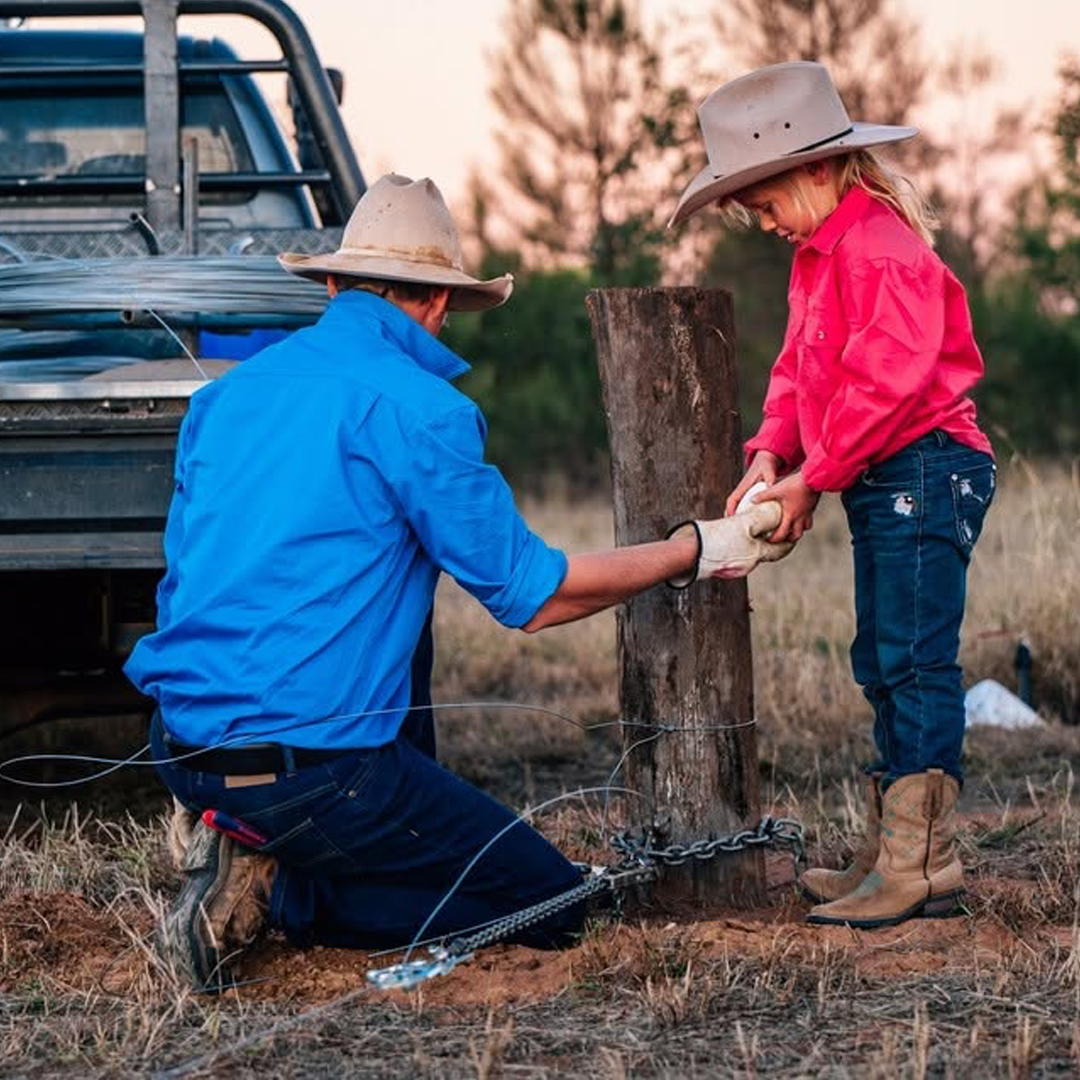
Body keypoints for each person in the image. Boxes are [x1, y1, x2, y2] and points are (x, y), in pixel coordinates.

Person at [125, 173, 791, 990]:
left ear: (332, 283)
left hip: (182, 749)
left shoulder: (222, 400)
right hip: (317, 777)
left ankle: (252, 838)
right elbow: (535, 596)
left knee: (399, 585)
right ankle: (286, 894)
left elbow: (188, 580)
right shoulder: (419, 408)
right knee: (557, 903)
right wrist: (694, 549)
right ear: (439, 304)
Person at [669, 62, 996, 929]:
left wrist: (814, 477)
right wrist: (775, 450)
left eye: (768, 202)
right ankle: (895, 853)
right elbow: (802, 369)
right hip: (885, 470)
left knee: (917, 659)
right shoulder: (822, 255)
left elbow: (885, 388)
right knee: (885, 658)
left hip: (926, 465)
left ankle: (922, 865)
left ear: (819, 168)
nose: (766, 223)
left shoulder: (882, 251)